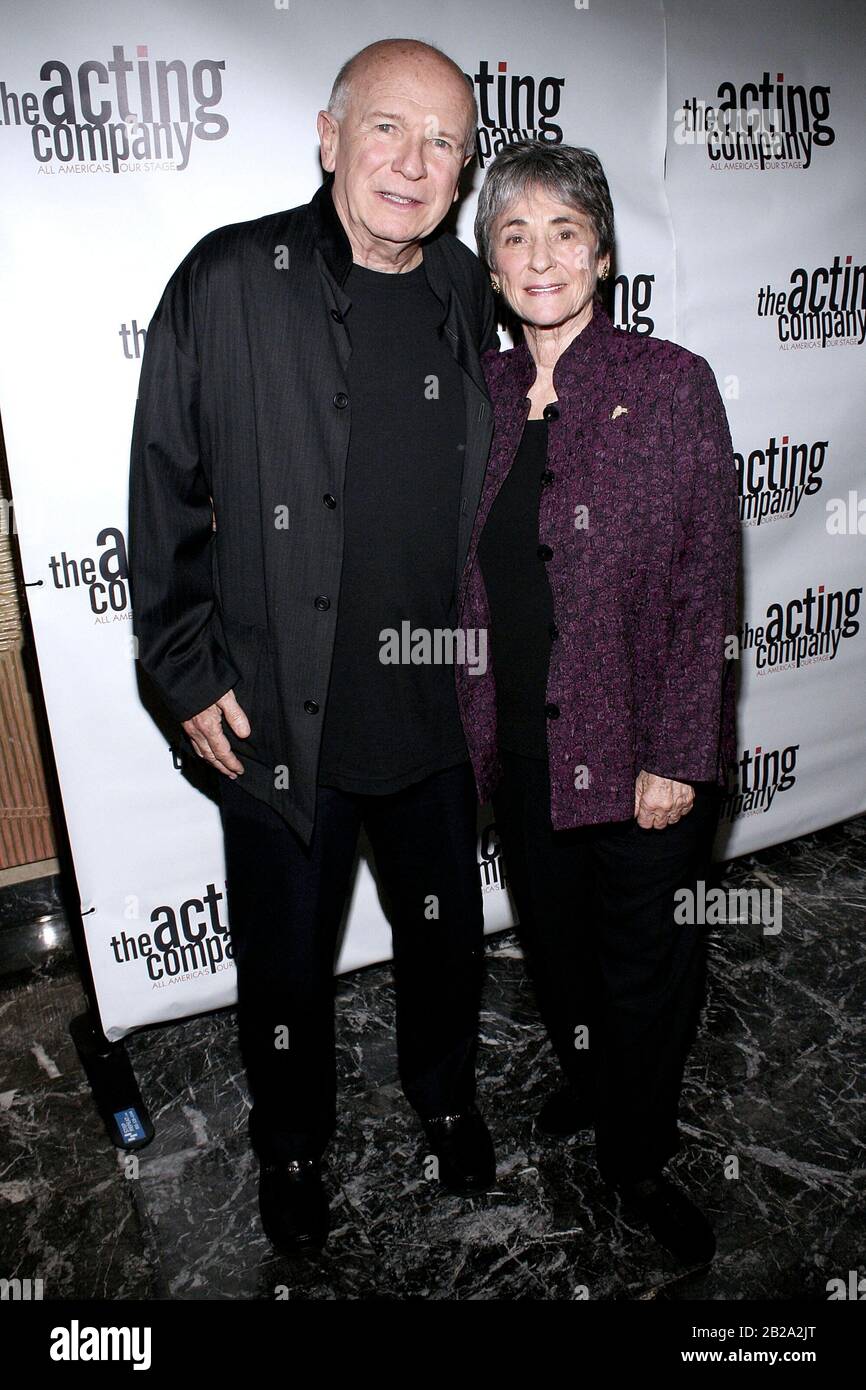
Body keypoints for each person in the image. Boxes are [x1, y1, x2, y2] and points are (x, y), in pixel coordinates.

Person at [128, 38, 500, 1257]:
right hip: (283, 720)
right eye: (387, 127)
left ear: (463, 168)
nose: (412, 159)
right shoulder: (231, 279)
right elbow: (166, 490)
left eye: (443, 140)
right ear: (329, 137)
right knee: (284, 970)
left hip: (436, 710)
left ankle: (445, 1096)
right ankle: (290, 1146)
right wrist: (185, 672)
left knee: (443, 938)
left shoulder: (462, 288)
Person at [456, 139, 740, 1266]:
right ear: (487, 265)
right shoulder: (473, 395)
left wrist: (676, 752)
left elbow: (702, 578)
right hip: (520, 746)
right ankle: (590, 1078)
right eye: (512, 235)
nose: (537, 256)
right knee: (563, 953)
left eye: (562, 232)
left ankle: (636, 1151)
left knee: (645, 964)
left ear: (603, 254)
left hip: (637, 755)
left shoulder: (669, 384)